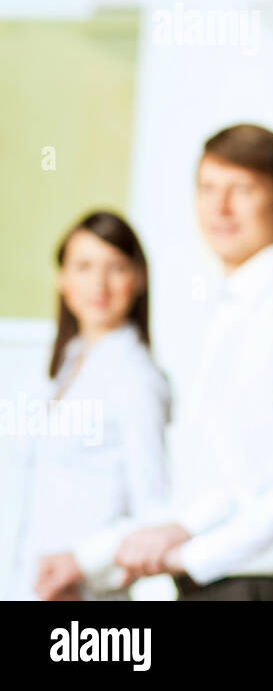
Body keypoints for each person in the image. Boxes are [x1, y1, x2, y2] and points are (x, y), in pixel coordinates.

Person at [113, 124, 273, 600]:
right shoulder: (230, 305)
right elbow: (230, 468)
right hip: (211, 572)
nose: (218, 207)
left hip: (253, 580)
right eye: (208, 188)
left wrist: (192, 549)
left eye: (241, 190)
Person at [10, 211, 170, 601]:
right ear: (61, 278)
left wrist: (82, 563)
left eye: (116, 267)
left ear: (139, 279)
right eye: (83, 267)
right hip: (28, 582)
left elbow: (155, 508)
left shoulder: (137, 378)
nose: (98, 284)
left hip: (82, 593)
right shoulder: (62, 365)